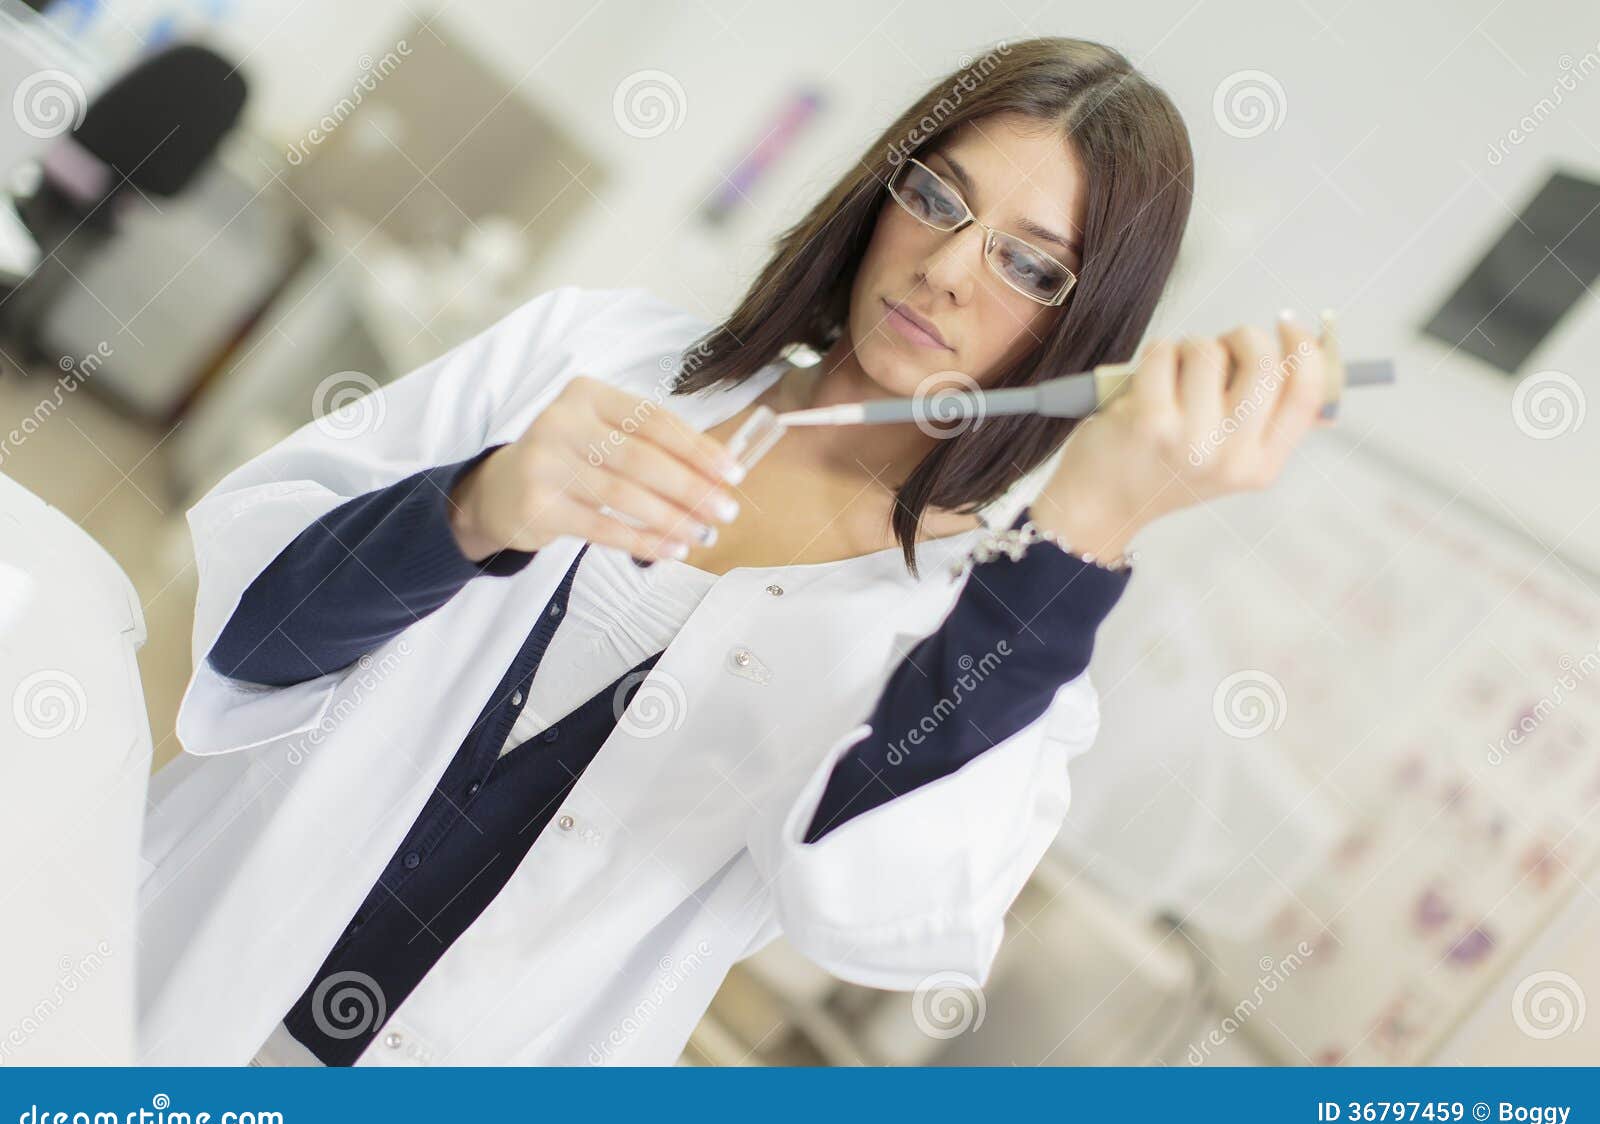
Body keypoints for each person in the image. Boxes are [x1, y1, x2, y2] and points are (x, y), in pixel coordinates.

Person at [136, 35, 1332, 1066]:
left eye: (1030, 263)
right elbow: (251, 635)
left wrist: (1084, 535)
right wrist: (473, 509)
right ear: (881, 192)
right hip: (153, 990)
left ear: (1087, 326)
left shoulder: (984, 635)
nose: (948, 269)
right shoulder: (589, 355)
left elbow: (875, 910)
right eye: (937, 197)